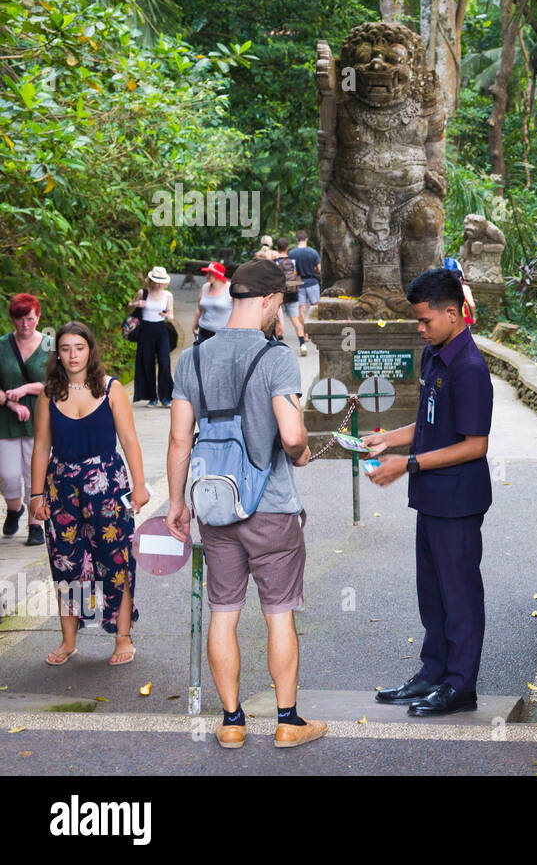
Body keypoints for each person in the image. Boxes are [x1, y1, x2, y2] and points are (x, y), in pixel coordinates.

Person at [165, 259, 325, 749]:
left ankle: (232, 722)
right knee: (278, 613)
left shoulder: (190, 359)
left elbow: (177, 441)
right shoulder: (276, 357)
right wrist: (299, 455)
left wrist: (178, 503)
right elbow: (293, 433)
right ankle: (286, 720)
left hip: (214, 505)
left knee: (223, 613)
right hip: (271, 505)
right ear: (272, 300)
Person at [366, 268, 493, 717]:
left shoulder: (471, 368)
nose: (420, 329)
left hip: (458, 502)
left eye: (425, 321)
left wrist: (409, 464)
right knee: (432, 593)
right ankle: (432, 673)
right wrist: (389, 440)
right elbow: (429, 420)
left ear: (454, 314)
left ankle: (461, 686)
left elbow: (474, 444)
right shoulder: (433, 354)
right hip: (431, 498)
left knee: (459, 596)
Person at [30, 321, 149, 666]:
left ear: (90, 350)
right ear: (58, 354)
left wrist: (139, 486)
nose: (72, 355)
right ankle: (69, 640)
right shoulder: (49, 394)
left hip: (108, 486)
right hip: (61, 487)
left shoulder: (111, 389)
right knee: (66, 562)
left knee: (116, 561)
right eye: (65, 349)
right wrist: (36, 496)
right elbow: (41, 447)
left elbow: (129, 440)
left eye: (79, 348)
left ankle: (122, 636)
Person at [1, 294, 53, 546]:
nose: (25, 325)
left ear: (38, 317)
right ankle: (14, 509)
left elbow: (61, 382)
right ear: (12, 319)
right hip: (6, 421)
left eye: (30, 319)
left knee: (36, 474)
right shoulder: (2, 346)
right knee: (8, 475)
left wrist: (28, 389)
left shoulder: (50, 345)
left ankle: (36, 524)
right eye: (20, 319)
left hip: (41, 419)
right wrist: (9, 401)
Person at [130, 266, 175, 408]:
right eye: (156, 281)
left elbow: (172, 316)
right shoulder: (143, 292)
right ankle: (152, 397)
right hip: (145, 330)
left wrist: (166, 315)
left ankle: (166, 396)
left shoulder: (168, 295)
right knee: (147, 363)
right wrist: (137, 303)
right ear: (151, 280)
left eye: (161, 281)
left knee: (164, 362)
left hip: (161, 330)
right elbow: (129, 306)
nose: (159, 284)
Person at [273, 237, 308, 356]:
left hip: (279, 294)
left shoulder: (275, 262)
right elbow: (297, 277)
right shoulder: (293, 261)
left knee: (276, 321)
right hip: (293, 293)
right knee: (296, 320)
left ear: (277, 248)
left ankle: (275, 347)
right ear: (288, 248)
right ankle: (302, 344)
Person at [191, 262, 232, 345]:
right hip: (203, 332)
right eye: (207, 273)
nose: (207, 275)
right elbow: (199, 309)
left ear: (218, 274)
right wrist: (194, 327)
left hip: (222, 336)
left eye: (211, 273)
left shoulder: (230, 288)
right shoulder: (205, 287)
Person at [288, 230, 322, 318]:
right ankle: (314, 328)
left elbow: (291, 271)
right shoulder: (313, 252)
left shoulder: (291, 253)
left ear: (296, 239)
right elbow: (319, 269)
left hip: (299, 283)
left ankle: (304, 330)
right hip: (312, 282)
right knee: (315, 306)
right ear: (306, 239)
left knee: (301, 308)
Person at [443, 257, 476, 326]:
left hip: (447, 318)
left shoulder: (444, 288)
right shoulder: (464, 288)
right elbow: (472, 304)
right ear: (461, 278)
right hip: (462, 318)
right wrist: (474, 316)